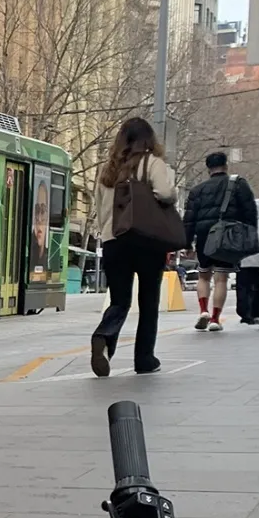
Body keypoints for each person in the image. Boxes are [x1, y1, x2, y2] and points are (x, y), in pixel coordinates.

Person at [89, 116, 179, 377]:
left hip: (113, 241)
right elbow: (164, 193)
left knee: (119, 300)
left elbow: (99, 208)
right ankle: (144, 358)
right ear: (149, 139)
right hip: (146, 240)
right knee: (148, 302)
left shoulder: (108, 170)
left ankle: (104, 337)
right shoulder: (152, 164)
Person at [182, 150, 257, 332]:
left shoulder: (197, 190)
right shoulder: (238, 184)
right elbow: (250, 211)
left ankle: (202, 311)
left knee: (203, 275)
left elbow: (189, 219)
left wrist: (186, 242)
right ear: (225, 166)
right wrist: (247, 233)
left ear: (208, 169)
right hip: (227, 235)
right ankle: (215, 319)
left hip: (204, 236)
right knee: (221, 278)